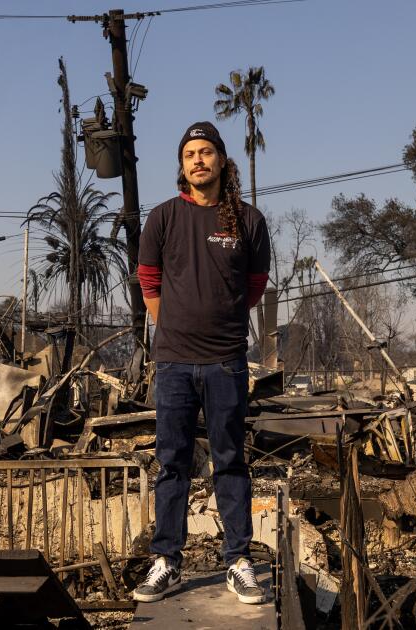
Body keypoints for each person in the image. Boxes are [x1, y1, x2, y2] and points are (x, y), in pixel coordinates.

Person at [132, 121, 270, 605]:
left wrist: (221, 324)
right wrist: (175, 327)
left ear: (221, 160)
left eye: (206, 151)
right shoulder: (164, 218)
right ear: (182, 164)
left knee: (230, 461)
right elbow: (149, 281)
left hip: (226, 363)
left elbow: (253, 287)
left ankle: (237, 561)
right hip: (172, 363)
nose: (198, 160)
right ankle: (167, 561)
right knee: (172, 463)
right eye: (190, 153)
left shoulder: (247, 221)